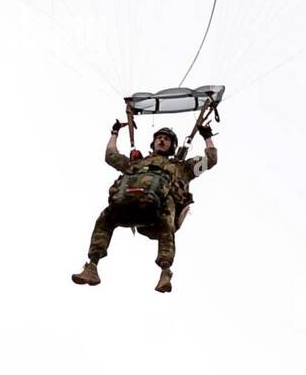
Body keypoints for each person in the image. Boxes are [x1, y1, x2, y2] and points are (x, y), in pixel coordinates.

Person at [72, 118, 218, 293]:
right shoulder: (135, 163)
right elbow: (110, 156)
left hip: (156, 213)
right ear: (154, 141)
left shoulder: (182, 168)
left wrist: (207, 136)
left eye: (166, 139)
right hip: (126, 206)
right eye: (159, 138)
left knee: (166, 219)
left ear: (172, 146)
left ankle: (165, 272)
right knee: (105, 217)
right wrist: (115, 132)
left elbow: (211, 159)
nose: (162, 140)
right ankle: (92, 267)